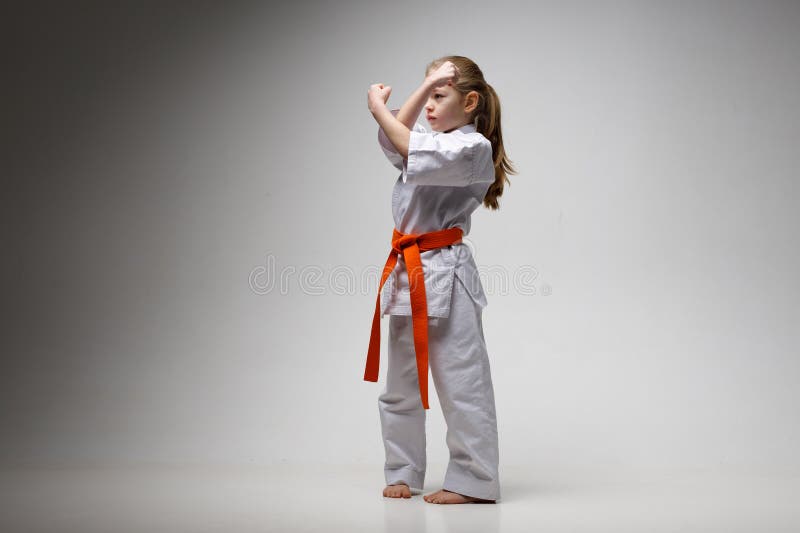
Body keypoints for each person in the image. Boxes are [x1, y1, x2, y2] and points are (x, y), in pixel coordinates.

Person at [364, 56, 516, 504]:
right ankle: (403, 470)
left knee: (462, 382)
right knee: (400, 385)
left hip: (447, 273)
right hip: (407, 272)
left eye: (439, 95)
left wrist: (379, 107)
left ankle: (475, 480)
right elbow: (394, 144)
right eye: (428, 95)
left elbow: (405, 145)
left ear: (470, 103)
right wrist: (414, 92)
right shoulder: (431, 139)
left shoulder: (472, 149)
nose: (429, 104)